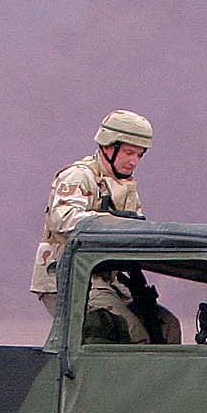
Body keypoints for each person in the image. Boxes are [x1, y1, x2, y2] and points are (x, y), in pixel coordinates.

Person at [33, 110, 152, 324]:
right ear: (108, 147)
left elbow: (137, 231)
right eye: (128, 152)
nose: (134, 161)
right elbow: (64, 219)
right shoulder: (79, 176)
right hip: (71, 277)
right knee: (129, 331)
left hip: (107, 278)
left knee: (165, 326)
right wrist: (111, 223)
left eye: (139, 155)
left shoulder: (127, 187)